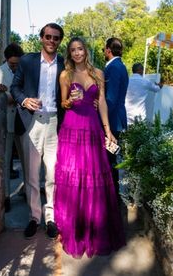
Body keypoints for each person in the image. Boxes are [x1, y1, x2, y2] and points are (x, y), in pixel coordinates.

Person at [54, 37, 126, 258]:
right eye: (73, 50)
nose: (77, 53)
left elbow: (102, 101)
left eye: (80, 49)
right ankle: (75, 229)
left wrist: (108, 130)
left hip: (93, 128)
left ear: (86, 50)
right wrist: (70, 102)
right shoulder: (65, 75)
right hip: (72, 129)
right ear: (69, 53)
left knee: (93, 176)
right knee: (74, 177)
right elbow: (63, 103)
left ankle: (94, 229)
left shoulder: (98, 73)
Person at [10, 23, 65, 239]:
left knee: (52, 173)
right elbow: (14, 88)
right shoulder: (27, 60)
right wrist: (24, 100)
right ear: (41, 38)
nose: (52, 41)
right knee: (32, 174)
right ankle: (34, 217)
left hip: (54, 123)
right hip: (31, 122)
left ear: (60, 41)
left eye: (56, 38)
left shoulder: (64, 64)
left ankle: (50, 218)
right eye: (48, 37)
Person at [0, 42, 25, 212]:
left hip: (25, 122)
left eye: (18, 63)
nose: (16, 67)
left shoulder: (25, 70)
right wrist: (11, 97)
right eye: (12, 64)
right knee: (5, 161)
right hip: (7, 123)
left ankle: (27, 190)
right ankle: (6, 196)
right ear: (6, 60)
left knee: (27, 160)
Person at [103, 37, 129, 198]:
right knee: (112, 157)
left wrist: (102, 121)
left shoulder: (113, 68)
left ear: (108, 50)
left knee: (108, 158)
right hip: (117, 118)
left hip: (112, 119)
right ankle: (113, 193)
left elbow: (110, 99)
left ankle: (111, 195)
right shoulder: (121, 66)